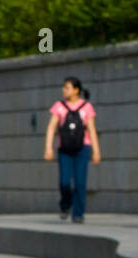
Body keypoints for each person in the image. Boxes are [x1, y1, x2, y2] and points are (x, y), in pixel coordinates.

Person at [43, 76, 100, 224]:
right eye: (64, 87)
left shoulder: (87, 107)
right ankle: (65, 204)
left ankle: (78, 214)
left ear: (76, 90)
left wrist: (96, 151)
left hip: (82, 148)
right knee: (64, 182)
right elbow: (51, 127)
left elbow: (92, 130)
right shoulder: (59, 106)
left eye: (67, 88)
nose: (64, 90)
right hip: (65, 150)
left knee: (80, 183)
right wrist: (48, 148)